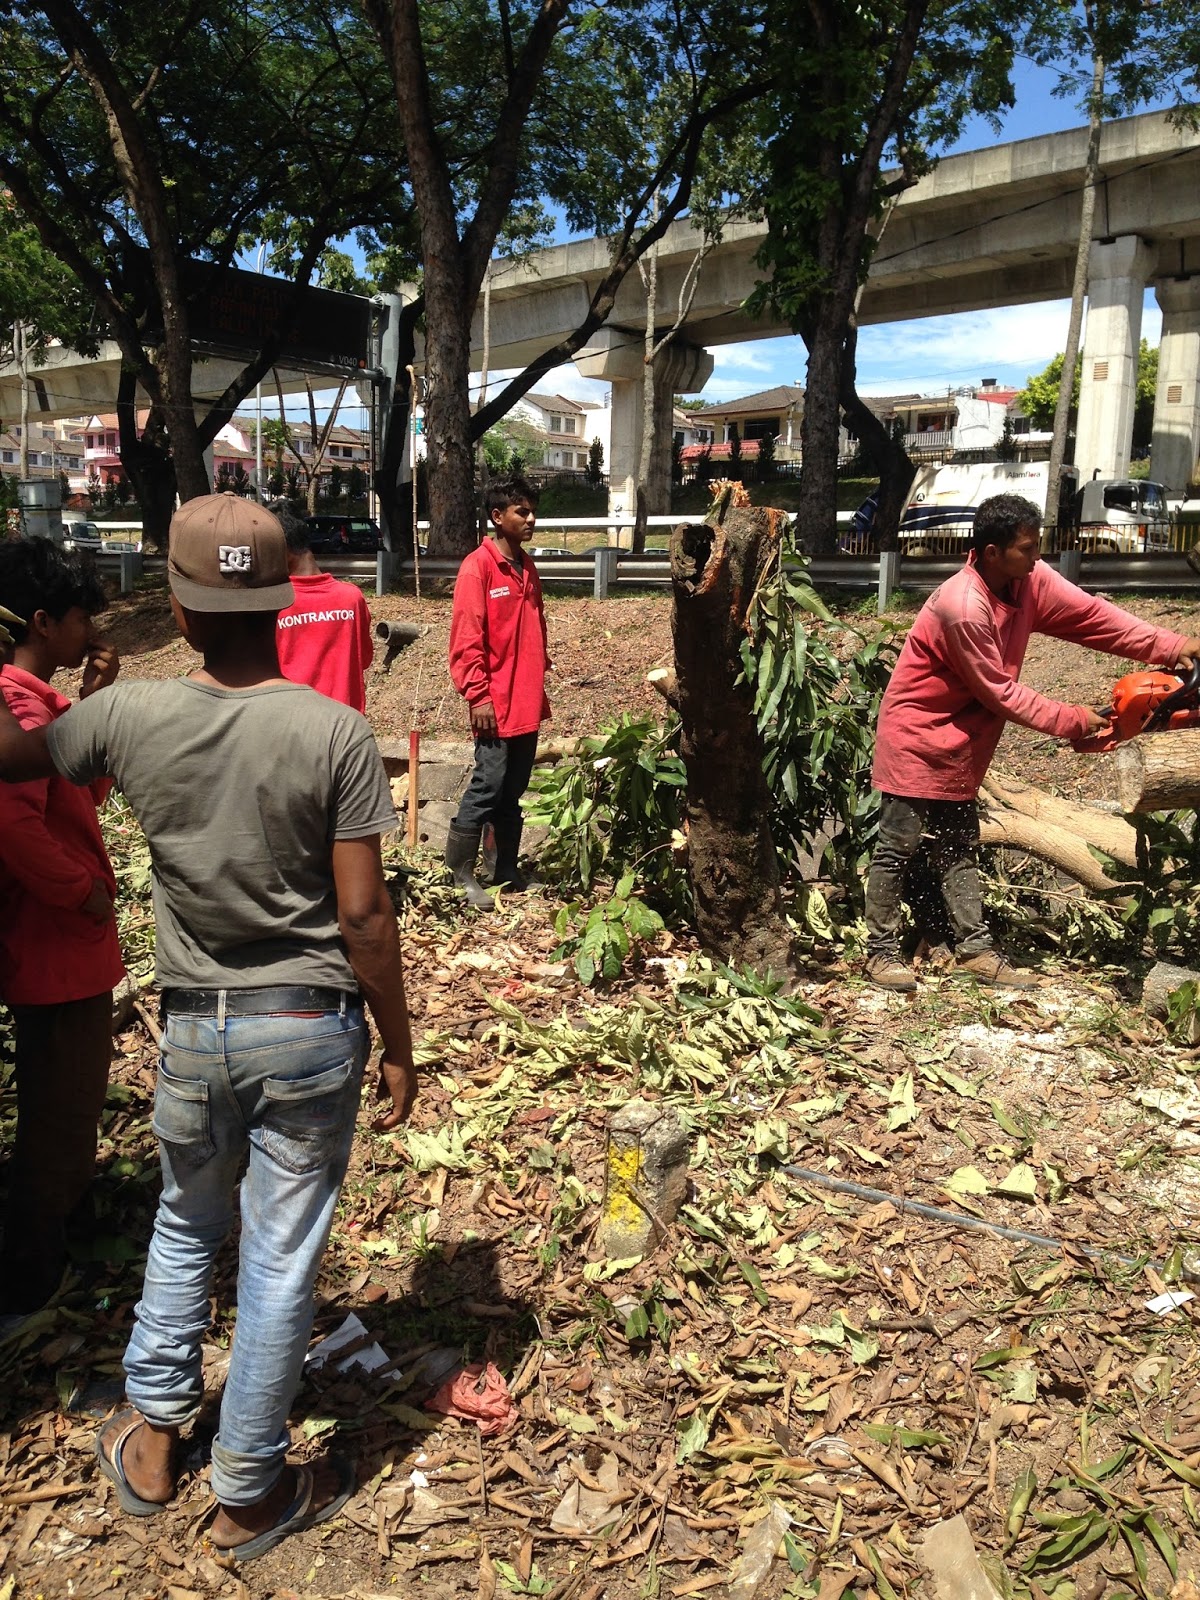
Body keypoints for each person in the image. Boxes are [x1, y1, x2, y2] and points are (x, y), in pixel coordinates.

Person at [0, 494, 419, 1562]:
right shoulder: (334, 732)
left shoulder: (125, 715)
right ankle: (246, 1489)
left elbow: (12, 758)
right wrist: (401, 1041)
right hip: (310, 1024)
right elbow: (365, 914)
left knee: (185, 1225)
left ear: (180, 612)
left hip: (197, 1027)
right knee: (279, 1259)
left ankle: (151, 1440)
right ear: (285, 602)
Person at [865, 492, 1200, 993]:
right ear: (992, 551)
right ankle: (879, 955)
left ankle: (973, 951)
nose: (1037, 556)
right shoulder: (963, 606)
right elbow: (999, 691)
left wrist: (1172, 646)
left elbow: (1092, 617)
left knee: (959, 846)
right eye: (1027, 548)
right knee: (898, 846)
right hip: (917, 735)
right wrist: (1072, 720)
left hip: (964, 739)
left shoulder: (1029, 581)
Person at [0, 539, 124, 1316]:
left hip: (66, 945)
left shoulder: (42, 705)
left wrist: (92, 698)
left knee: (71, 1092)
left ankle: (59, 1232)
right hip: (50, 946)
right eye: (82, 620)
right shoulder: (14, 708)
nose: (93, 631)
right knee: (58, 1105)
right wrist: (84, 893)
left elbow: (87, 790)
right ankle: (29, 1273)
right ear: (44, 622)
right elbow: (13, 826)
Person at [446, 475, 551, 908]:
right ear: (497, 517)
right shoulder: (479, 567)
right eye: (521, 512)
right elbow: (466, 638)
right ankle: (459, 874)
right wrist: (478, 696)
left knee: (513, 788)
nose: (530, 519)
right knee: (487, 784)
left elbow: (536, 627)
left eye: (531, 511)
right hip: (494, 704)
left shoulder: (528, 568)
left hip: (526, 700)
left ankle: (505, 869)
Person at [270, 500, 374, 712]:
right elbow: (364, 659)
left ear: (281, 547)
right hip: (346, 729)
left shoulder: (273, 603)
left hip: (293, 726)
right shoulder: (352, 598)